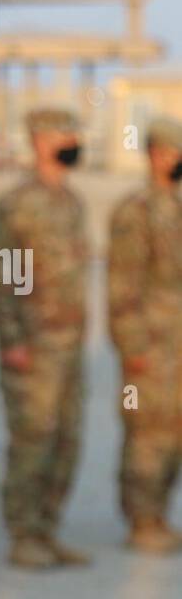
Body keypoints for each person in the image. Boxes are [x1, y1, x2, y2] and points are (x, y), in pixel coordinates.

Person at [0, 108, 91, 569]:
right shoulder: (16, 203)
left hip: (68, 344)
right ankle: (24, 533)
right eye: (65, 134)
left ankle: (47, 527)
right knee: (32, 439)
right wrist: (12, 338)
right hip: (31, 345)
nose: (73, 141)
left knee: (67, 440)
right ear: (40, 140)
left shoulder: (71, 200)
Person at [107, 116, 182, 554]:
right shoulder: (135, 212)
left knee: (173, 433)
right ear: (155, 154)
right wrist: (132, 346)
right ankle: (140, 519)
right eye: (174, 151)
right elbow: (123, 285)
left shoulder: (176, 209)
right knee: (146, 434)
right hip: (151, 347)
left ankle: (158, 515)